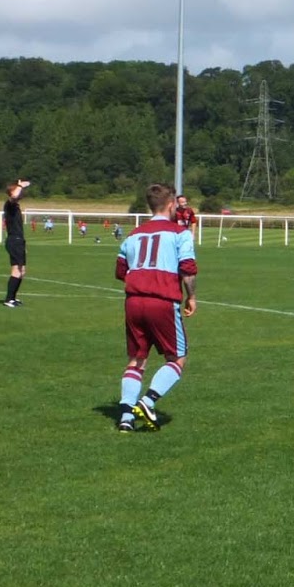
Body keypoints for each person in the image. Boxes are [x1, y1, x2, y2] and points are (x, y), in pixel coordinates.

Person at [114, 183, 198, 433]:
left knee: (137, 360)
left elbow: (121, 271)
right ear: (172, 204)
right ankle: (147, 401)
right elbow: (188, 269)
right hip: (162, 300)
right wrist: (191, 297)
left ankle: (125, 417)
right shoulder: (179, 233)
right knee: (177, 357)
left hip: (133, 302)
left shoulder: (133, 235)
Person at [1, 179, 32, 307]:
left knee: (22, 271)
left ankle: (13, 298)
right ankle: (9, 299)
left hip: (19, 241)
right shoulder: (10, 204)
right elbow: (14, 196)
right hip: (14, 240)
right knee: (16, 270)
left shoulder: (16, 206)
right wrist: (20, 185)